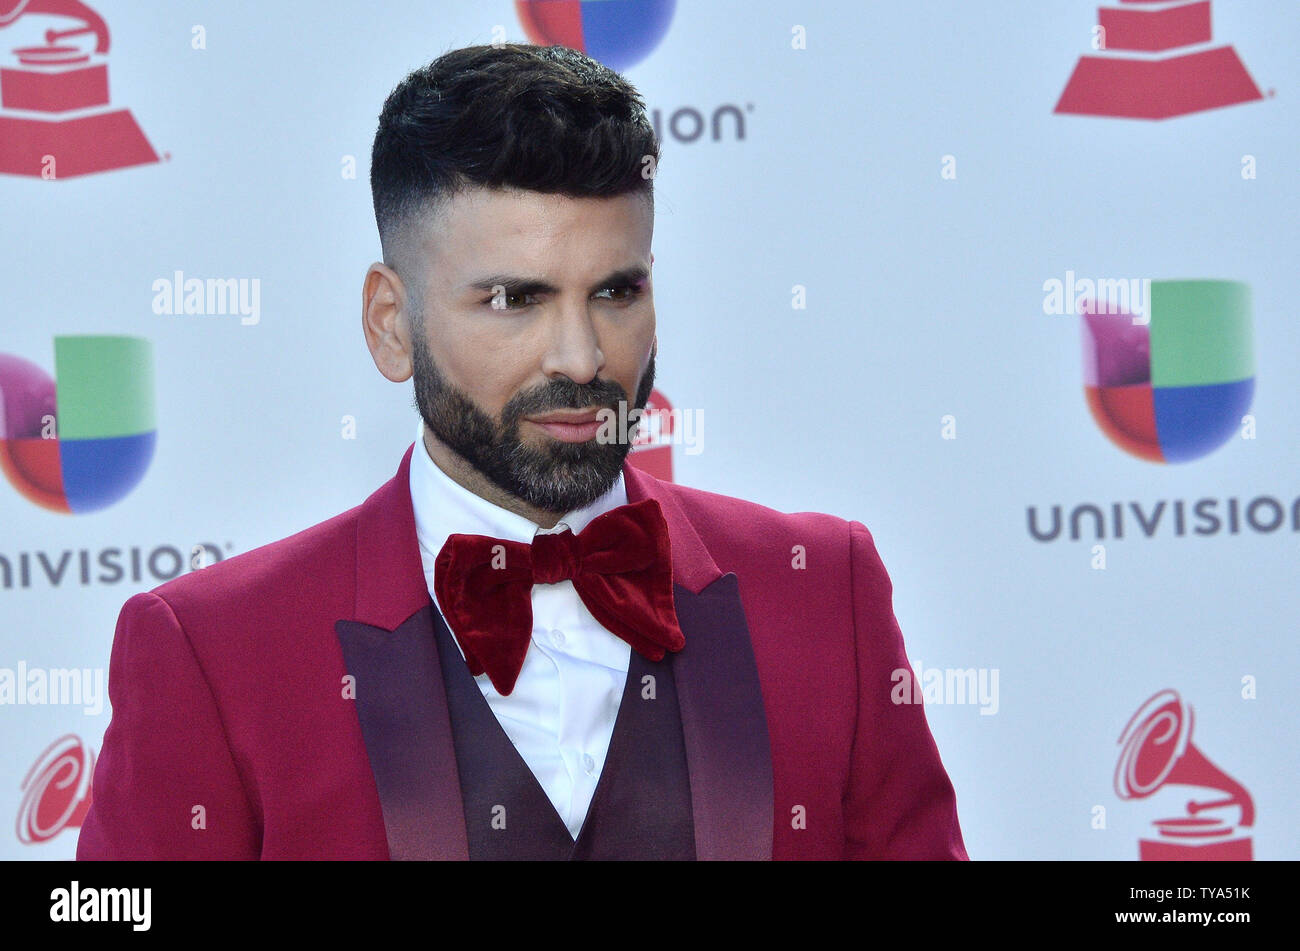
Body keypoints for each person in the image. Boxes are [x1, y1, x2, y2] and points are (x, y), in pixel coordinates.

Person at [77, 43, 967, 860]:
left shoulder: (822, 590)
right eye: (514, 299)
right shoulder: (214, 652)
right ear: (392, 326)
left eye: (617, 291)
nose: (582, 358)